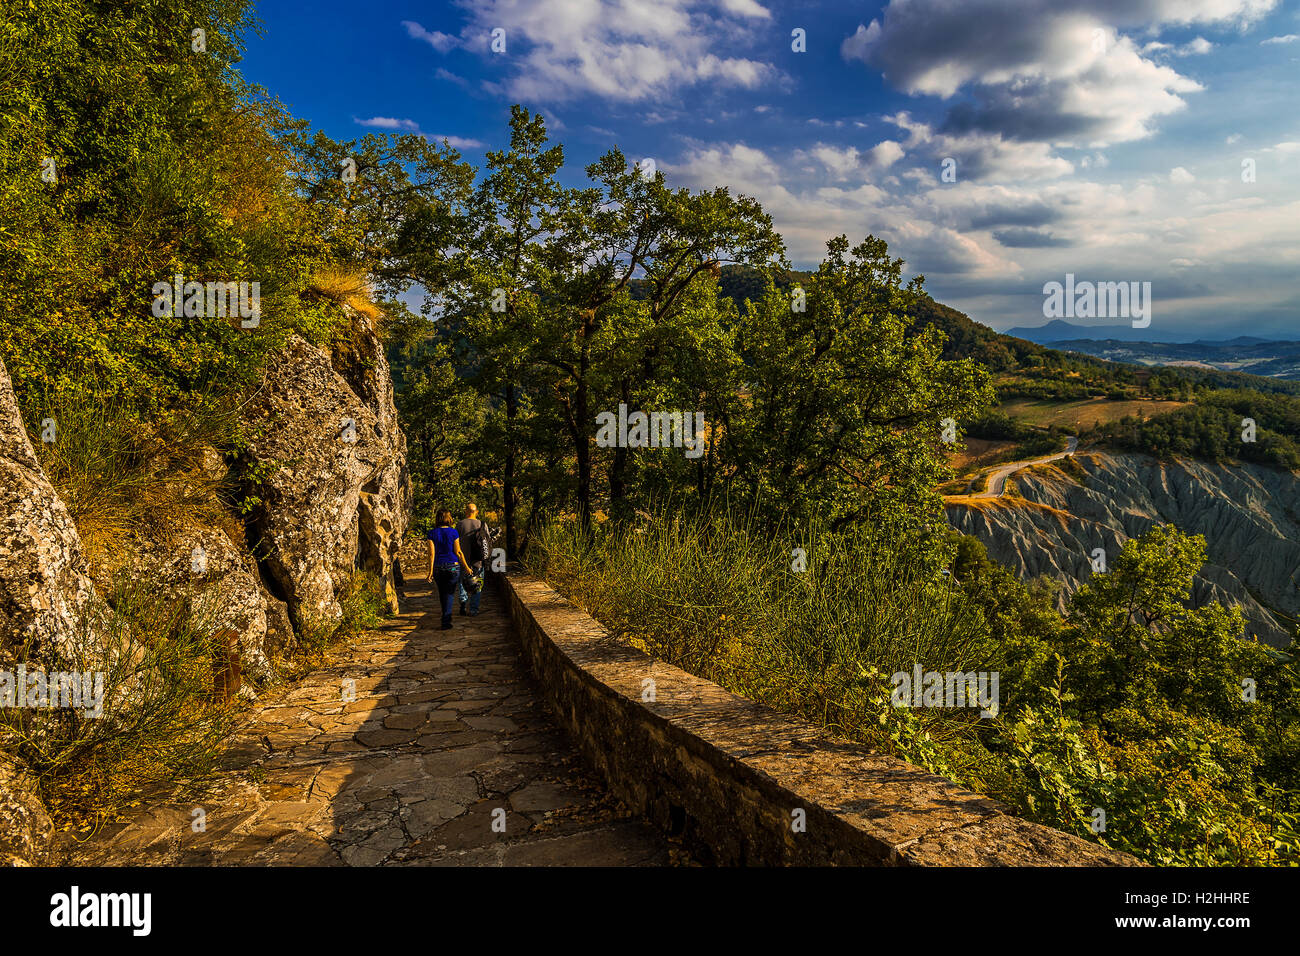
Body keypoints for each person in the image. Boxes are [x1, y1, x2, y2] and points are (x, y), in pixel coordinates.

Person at [426, 508, 474, 630]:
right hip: (453, 567)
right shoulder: (453, 532)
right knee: (450, 593)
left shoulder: (431, 533)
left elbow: (431, 554)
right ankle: (446, 620)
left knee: (442, 593)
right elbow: (458, 552)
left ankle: (445, 618)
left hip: (437, 567)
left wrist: (430, 571)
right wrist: (466, 567)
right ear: (449, 518)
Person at [455, 502, 490, 616]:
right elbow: (487, 542)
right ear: (477, 512)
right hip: (478, 560)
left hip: (463, 560)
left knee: (461, 582)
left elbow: (456, 543)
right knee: (478, 584)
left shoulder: (460, 525)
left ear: (466, 511)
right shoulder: (482, 524)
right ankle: (474, 609)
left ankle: (463, 603)